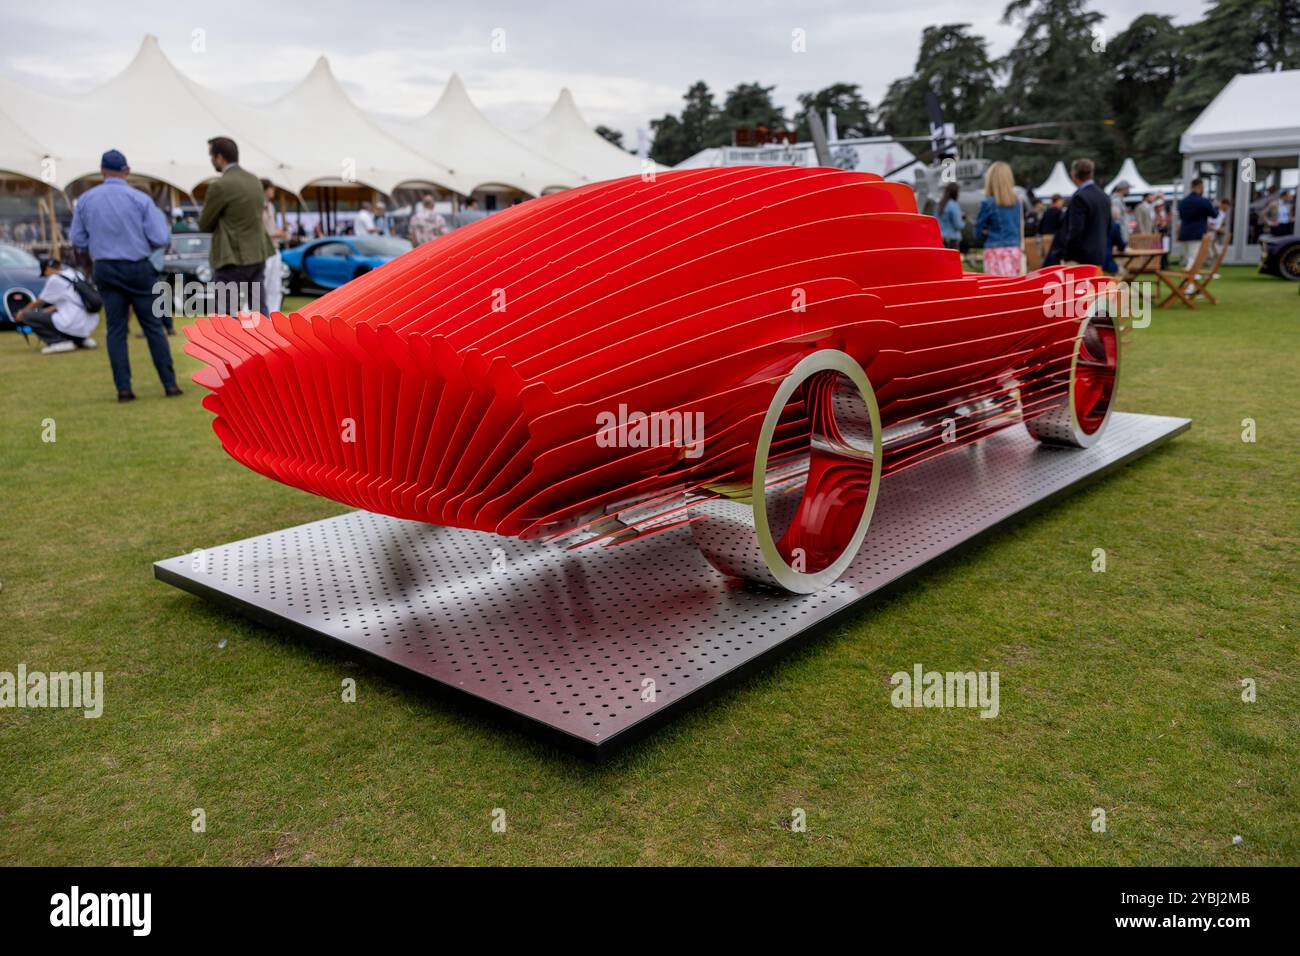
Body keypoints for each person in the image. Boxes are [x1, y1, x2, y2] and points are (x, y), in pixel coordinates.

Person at [69, 149, 179, 402]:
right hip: (137, 266)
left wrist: (98, 243)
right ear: (126, 171)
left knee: (116, 330)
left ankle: (124, 389)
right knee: (153, 327)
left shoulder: (86, 200)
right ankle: (169, 383)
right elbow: (161, 238)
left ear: (102, 171)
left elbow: (77, 239)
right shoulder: (139, 199)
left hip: (105, 267)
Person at [199, 137, 275, 316]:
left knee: (227, 313)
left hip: (231, 256)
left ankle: (230, 345)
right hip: (257, 253)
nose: (211, 160)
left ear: (219, 157)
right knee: (258, 308)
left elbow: (205, 224)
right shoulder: (254, 181)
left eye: (211, 155)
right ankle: (266, 343)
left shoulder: (220, 186)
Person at [16, 257, 99, 354]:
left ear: (48, 269)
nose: (46, 277)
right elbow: (67, 302)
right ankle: (81, 341)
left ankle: (58, 342)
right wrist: (43, 314)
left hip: (72, 323)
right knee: (53, 316)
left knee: (27, 316)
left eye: (45, 274)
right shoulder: (76, 274)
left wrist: (22, 312)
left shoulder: (55, 279)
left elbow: (39, 301)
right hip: (89, 323)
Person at [1044, 158, 1111, 268]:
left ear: (1074, 175)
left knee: (1074, 285)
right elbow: (1108, 227)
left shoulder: (1079, 197)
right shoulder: (1104, 196)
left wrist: (1067, 254)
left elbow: (1075, 230)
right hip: (1098, 255)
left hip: (1079, 258)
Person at [974, 161, 1022, 276]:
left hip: (995, 251)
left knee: (996, 288)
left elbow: (977, 233)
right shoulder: (1017, 202)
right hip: (1014, 250)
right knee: (1012, 287)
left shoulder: (988, 203)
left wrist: (986, 231)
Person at [1176, 178, 1216, 267]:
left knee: (1189, 256)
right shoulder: (1203, 201)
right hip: (1197, 233)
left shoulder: (1183, 202)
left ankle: (1190, 275)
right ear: (1200, 187)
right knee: (1194, 257)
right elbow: (1214, 214)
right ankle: (1190, 277)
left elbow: (1181, 217)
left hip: (1184, 233)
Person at [261, 178, 286, 314]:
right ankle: (251, 316)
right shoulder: (257, 206)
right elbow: (261, 230)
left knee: (275, 286)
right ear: (265, 189)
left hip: (274, 249)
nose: (273, 191)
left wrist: (278, 233)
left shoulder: (270, 206)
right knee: (261, 285)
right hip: (263, 250)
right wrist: (277, 233)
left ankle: (272, 315)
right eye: (271, 188)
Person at [934, 182, 964, 250]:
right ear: (955, 192)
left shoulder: (939, 205)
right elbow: (958, 225)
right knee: (952, 260)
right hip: (952, 239)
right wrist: (963, 222)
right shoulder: (954, 205)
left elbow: (935, 222)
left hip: (941, 238)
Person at [1109, 180, 1131, 246]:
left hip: (1122, 236)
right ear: (1123, 189)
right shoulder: (1116, 200)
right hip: (1120, 237)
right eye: (1128, 188)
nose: (1129, 191)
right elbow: (1116, 219)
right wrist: (1119, 239)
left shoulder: (1119, 200)